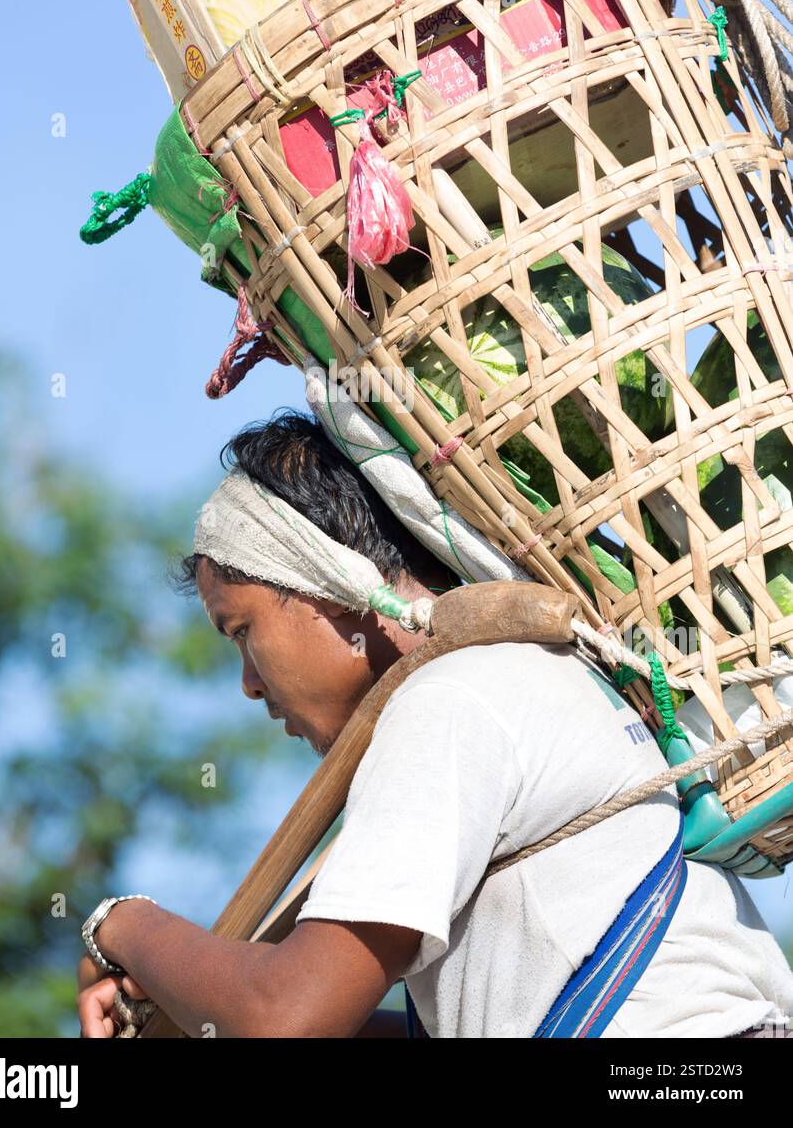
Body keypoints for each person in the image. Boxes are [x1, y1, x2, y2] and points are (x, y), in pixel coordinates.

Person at [78, 411, 793, 1039]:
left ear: (332, 582)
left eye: (242, 631)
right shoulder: (526, 675)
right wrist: (203, 1007)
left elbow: (287, 1016)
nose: (249, 683)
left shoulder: (445, 702)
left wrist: (121, 925)